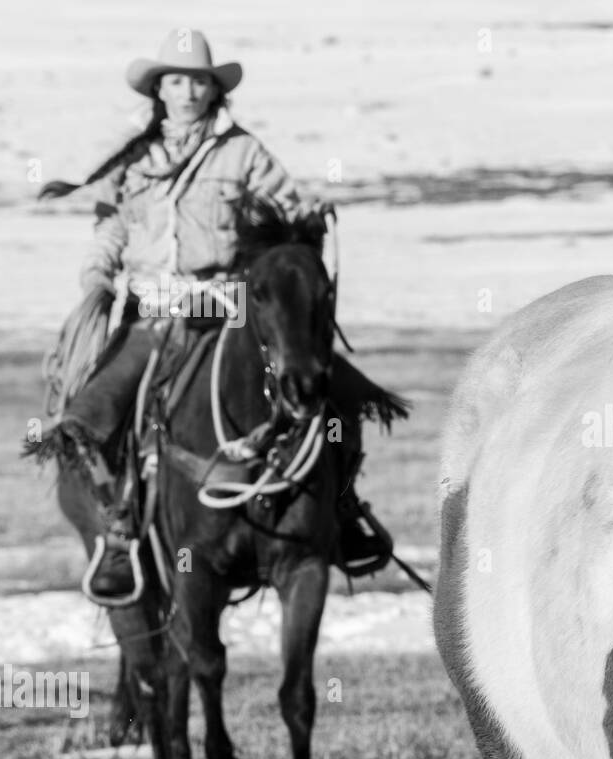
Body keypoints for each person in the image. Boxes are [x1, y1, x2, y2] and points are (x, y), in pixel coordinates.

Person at [36, 27, 394, 601]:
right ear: (159, 89)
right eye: (175, 80)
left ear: (212, 89)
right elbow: (111, 227)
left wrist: (313, 214)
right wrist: (97, 278)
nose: (187, 91)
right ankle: (122, 527)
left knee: (340, 393)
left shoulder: (244, 152)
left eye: (197, 80)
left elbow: (291, 209)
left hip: (232, 311)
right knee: (91, 416)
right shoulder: (133, 158)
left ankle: (343, 508)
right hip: (153, 314)